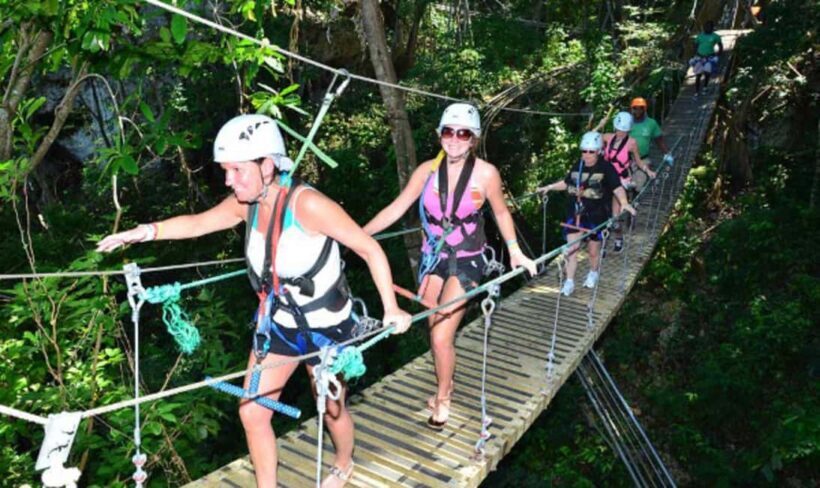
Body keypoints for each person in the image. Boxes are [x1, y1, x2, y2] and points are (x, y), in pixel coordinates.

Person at [96, 114, 412, 488]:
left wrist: (391, 308)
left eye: (237, 170)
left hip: (328, 326)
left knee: (331, 407)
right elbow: (198, 223)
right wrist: (145, 232)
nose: (230, 181)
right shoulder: (246, 204)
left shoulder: (308, 205)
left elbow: (369, 248)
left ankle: (344, 462)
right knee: (252, 411)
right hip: (279, 326)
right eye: (226, 171)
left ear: (267, 165)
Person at [363, 103, 537, 430]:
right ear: (439, 134)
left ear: (473, 139)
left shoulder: (486, 174)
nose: (454, 139)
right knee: (433, 332)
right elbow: (397, 208)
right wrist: (357, 236)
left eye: (463, 134)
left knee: (442, 337)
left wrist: (514, 250)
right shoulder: (427, 171)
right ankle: (447, 382)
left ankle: (443, 396)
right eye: (448, 132)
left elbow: (500, 212)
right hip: (433, 259)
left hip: (469, 260)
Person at [538, 131, 636, 296]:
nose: (587, 155)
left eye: (591, 151)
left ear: (598, 151)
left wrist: (624, 203)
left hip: (596, 215)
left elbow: (617, 187)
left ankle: (593, 272)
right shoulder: (578, 164)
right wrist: (549, 187)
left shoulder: (606, 167)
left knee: (592, 251)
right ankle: (569, 281)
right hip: (575, 214)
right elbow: (566, 182)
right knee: (572, 249)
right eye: (584, 151)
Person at [601, 111, 655, 252]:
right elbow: (589, 140)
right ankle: (602, 244)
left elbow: (638, 161)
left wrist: (648, 171)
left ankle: (618, 238)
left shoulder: (631, 143)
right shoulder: (607, 138)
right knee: (601, 214)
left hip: (620, 182)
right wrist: (599, 125)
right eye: (619, 129)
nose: (621, 133)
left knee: (615, 217)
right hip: (605, 180)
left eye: (624, 130)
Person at [629, 97, 674, 191]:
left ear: (644, 109)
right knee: (625, 185)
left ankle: (635, 200)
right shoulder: (626, 123)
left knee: (638, 184)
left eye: (640, 108)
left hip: (643, 159)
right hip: (626, 160)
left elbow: (659, 140)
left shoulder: (651, 123)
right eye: (635, 108)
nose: (637, 110)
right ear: (631, 109)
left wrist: (667, 154)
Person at [690, 21, 723, 96]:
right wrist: (695, 54)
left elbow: (720, 46)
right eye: (705, 27)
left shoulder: (716, 36)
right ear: (703, 28)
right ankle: (697, 90)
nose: (707, 28)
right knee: (698, 74)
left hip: (710, 57)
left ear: (712, 28)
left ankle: (705, 87)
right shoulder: (700, 36)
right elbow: (695, 45)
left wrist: (718, 55)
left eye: (709, 27)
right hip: (700, 57)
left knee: (707, 73)